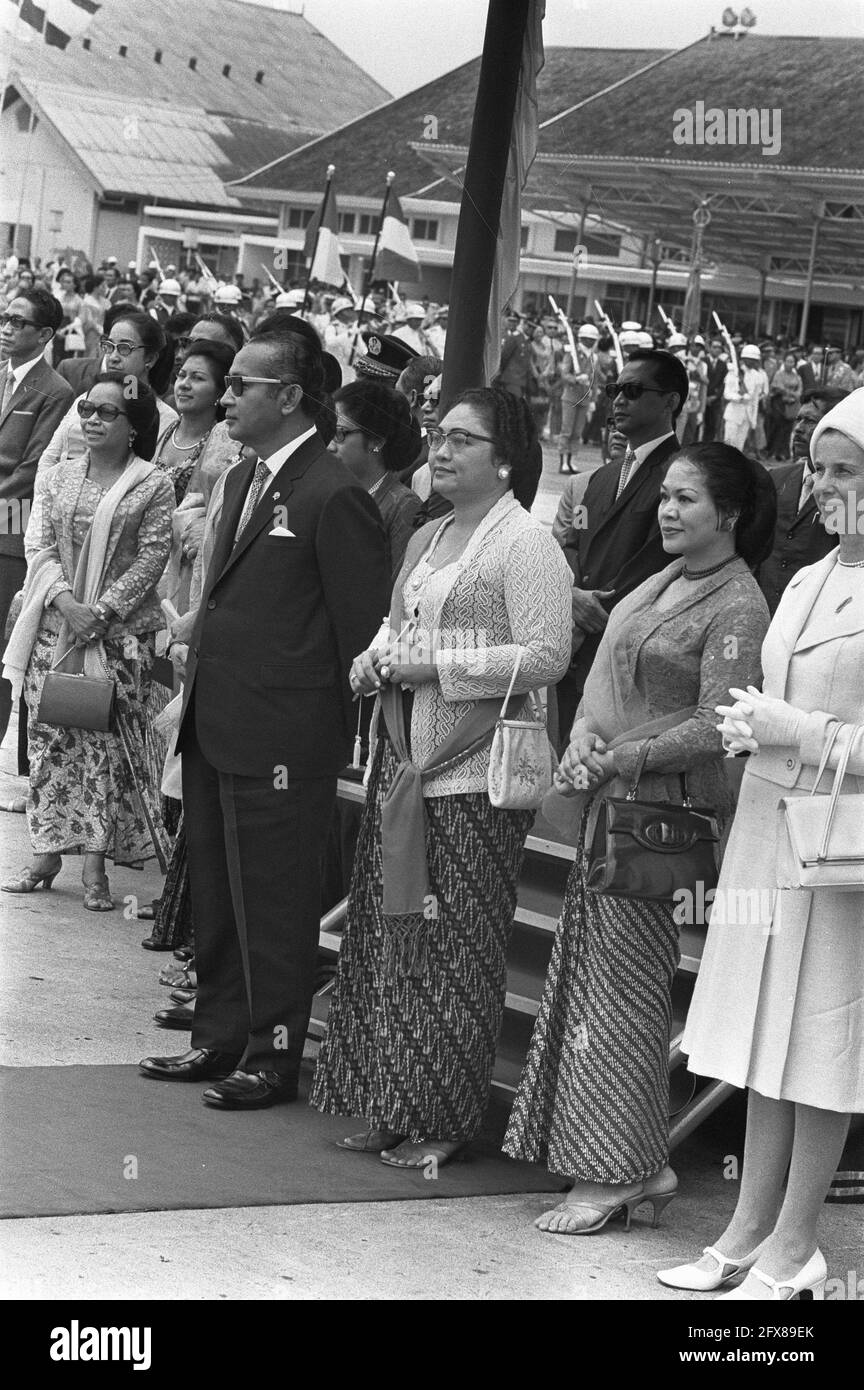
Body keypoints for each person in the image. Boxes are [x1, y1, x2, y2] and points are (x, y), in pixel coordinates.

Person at [504, 442, 776, 1232]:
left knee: (624, 994)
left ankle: (617, 1173)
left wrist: (623, 754)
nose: (667, 510)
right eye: (664, 496)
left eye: (687, 500)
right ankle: (638, 1167)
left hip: (662, 819)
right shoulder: (658, 583)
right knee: (593, 984)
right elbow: (602, 685)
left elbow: (719, 724)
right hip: (610, 803)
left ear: (727, 515)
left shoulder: (737, 603)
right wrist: (587, 740)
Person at [311, 385, 572, 1166]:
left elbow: (546, 655)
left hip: (469, 777)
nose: (443, 450)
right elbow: (400, 626)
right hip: (404, 765)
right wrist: (373, 660)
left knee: (454, 948)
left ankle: (443, 1119)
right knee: (389, 939)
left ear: (505, 458)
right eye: (439, 434)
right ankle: (387, 1099)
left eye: (463, 440)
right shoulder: (428, 534)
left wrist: (437, 666)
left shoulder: (526, 543)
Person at [138, 322, 389, 1105]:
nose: (227, 394)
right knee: (215, 888)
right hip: (217, 720)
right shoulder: (244, 478)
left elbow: (360, 634)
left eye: (243, 383)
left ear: (287, 396)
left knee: (274, 902)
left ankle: (273, 1057)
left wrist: (311, 725)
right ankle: (219, 1039)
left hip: (284, 738)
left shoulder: (333, 491)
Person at [668, 391, 864, 1300]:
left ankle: (798, 1244)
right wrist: (759, 729)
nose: (825, 487)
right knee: (761, 1032)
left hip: (840, 847)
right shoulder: (810, 576)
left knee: (824, 1040)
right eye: (821, 469)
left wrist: (800, 729)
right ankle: (749, 1228)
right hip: (767, 825)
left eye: (846, 472)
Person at [1, 377, 173, 909]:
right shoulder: (57, 478)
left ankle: (96, 866)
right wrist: (67, 604)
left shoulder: (153, 483)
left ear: (134, 427)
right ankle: (45, 854)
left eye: (106, 411)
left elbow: (154, 554)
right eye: (86, 409)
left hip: (119, 637)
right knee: (49, 741)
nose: (92, 419)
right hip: (56, 629)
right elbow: (39, 544)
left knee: (104, 749)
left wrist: (100, 611)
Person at [554, 348, 687, 747]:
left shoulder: (680, 476)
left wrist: (597, 608)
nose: (618, 399)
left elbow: (658, 564)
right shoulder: (599, 479)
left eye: (632, 389)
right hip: (575, 650)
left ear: (670, 401)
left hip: (624, 657)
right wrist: (572, 593)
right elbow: (572, 542)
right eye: (615, 388)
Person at [0, 289, 73, 753]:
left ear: (44, 334)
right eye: (5, 317)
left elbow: (32, 469)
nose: (7, 327)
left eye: (18, 322)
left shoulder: (54, 391)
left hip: (10, 527)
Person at [38, 311, 178, 472]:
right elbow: (50, 456)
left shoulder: (164, 417)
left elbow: (148, 472)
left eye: (125, 348)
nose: (113, 357)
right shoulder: (86, 399)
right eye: (110, 346)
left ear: (150, 359)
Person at [757, 387, 850, 615]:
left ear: (832, 428)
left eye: (809, 421)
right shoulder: (776, 478)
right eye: (798, 419)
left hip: (814, 613)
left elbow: (850, 556)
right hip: (763, 609)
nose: (798, 429)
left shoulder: (850, 489)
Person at [330, 379, 421, 580]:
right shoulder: (327, 491)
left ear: (376, 441)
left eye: (339, 434)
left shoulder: (404, 506)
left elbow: (399, 588)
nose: (329, 445)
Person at [556, 324, 598, 473]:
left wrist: (593, 400)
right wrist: (576, 379)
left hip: (585, 398)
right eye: (588, 339)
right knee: (566, 430)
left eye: (593, 339)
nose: (591, 342)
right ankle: (563, 462)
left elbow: (595, 379)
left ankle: (572, 460)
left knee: (577, 432)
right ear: (581, 338)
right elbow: (564, 374)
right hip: (570, 396)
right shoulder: (572, 353)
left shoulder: (593, 356)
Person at [723, 345, 767, 451]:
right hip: (734, 413)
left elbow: (755, 400)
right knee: (729, 444)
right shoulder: (734, 373)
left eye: (755, 360)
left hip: (747, 415)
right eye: (751, 360)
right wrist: (739, 398)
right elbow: (727, 393)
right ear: (744, 359)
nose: (754, 363)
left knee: (739, 447)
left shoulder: (758, 376)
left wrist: (753, 419)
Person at [765, 351, 802, 460]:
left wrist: (792, 395)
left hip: (792, 406)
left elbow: (799, 391)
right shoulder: (778, 374)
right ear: (784, 362)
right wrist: (791, 393)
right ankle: (773, 452)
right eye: (788, 361)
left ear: (795, 363)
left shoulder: (797, 376)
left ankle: (784, 453)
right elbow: (778, 387)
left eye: (792, 362)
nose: (790, 363)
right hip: (779, 404)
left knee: (788, 429)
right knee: (777, 427)